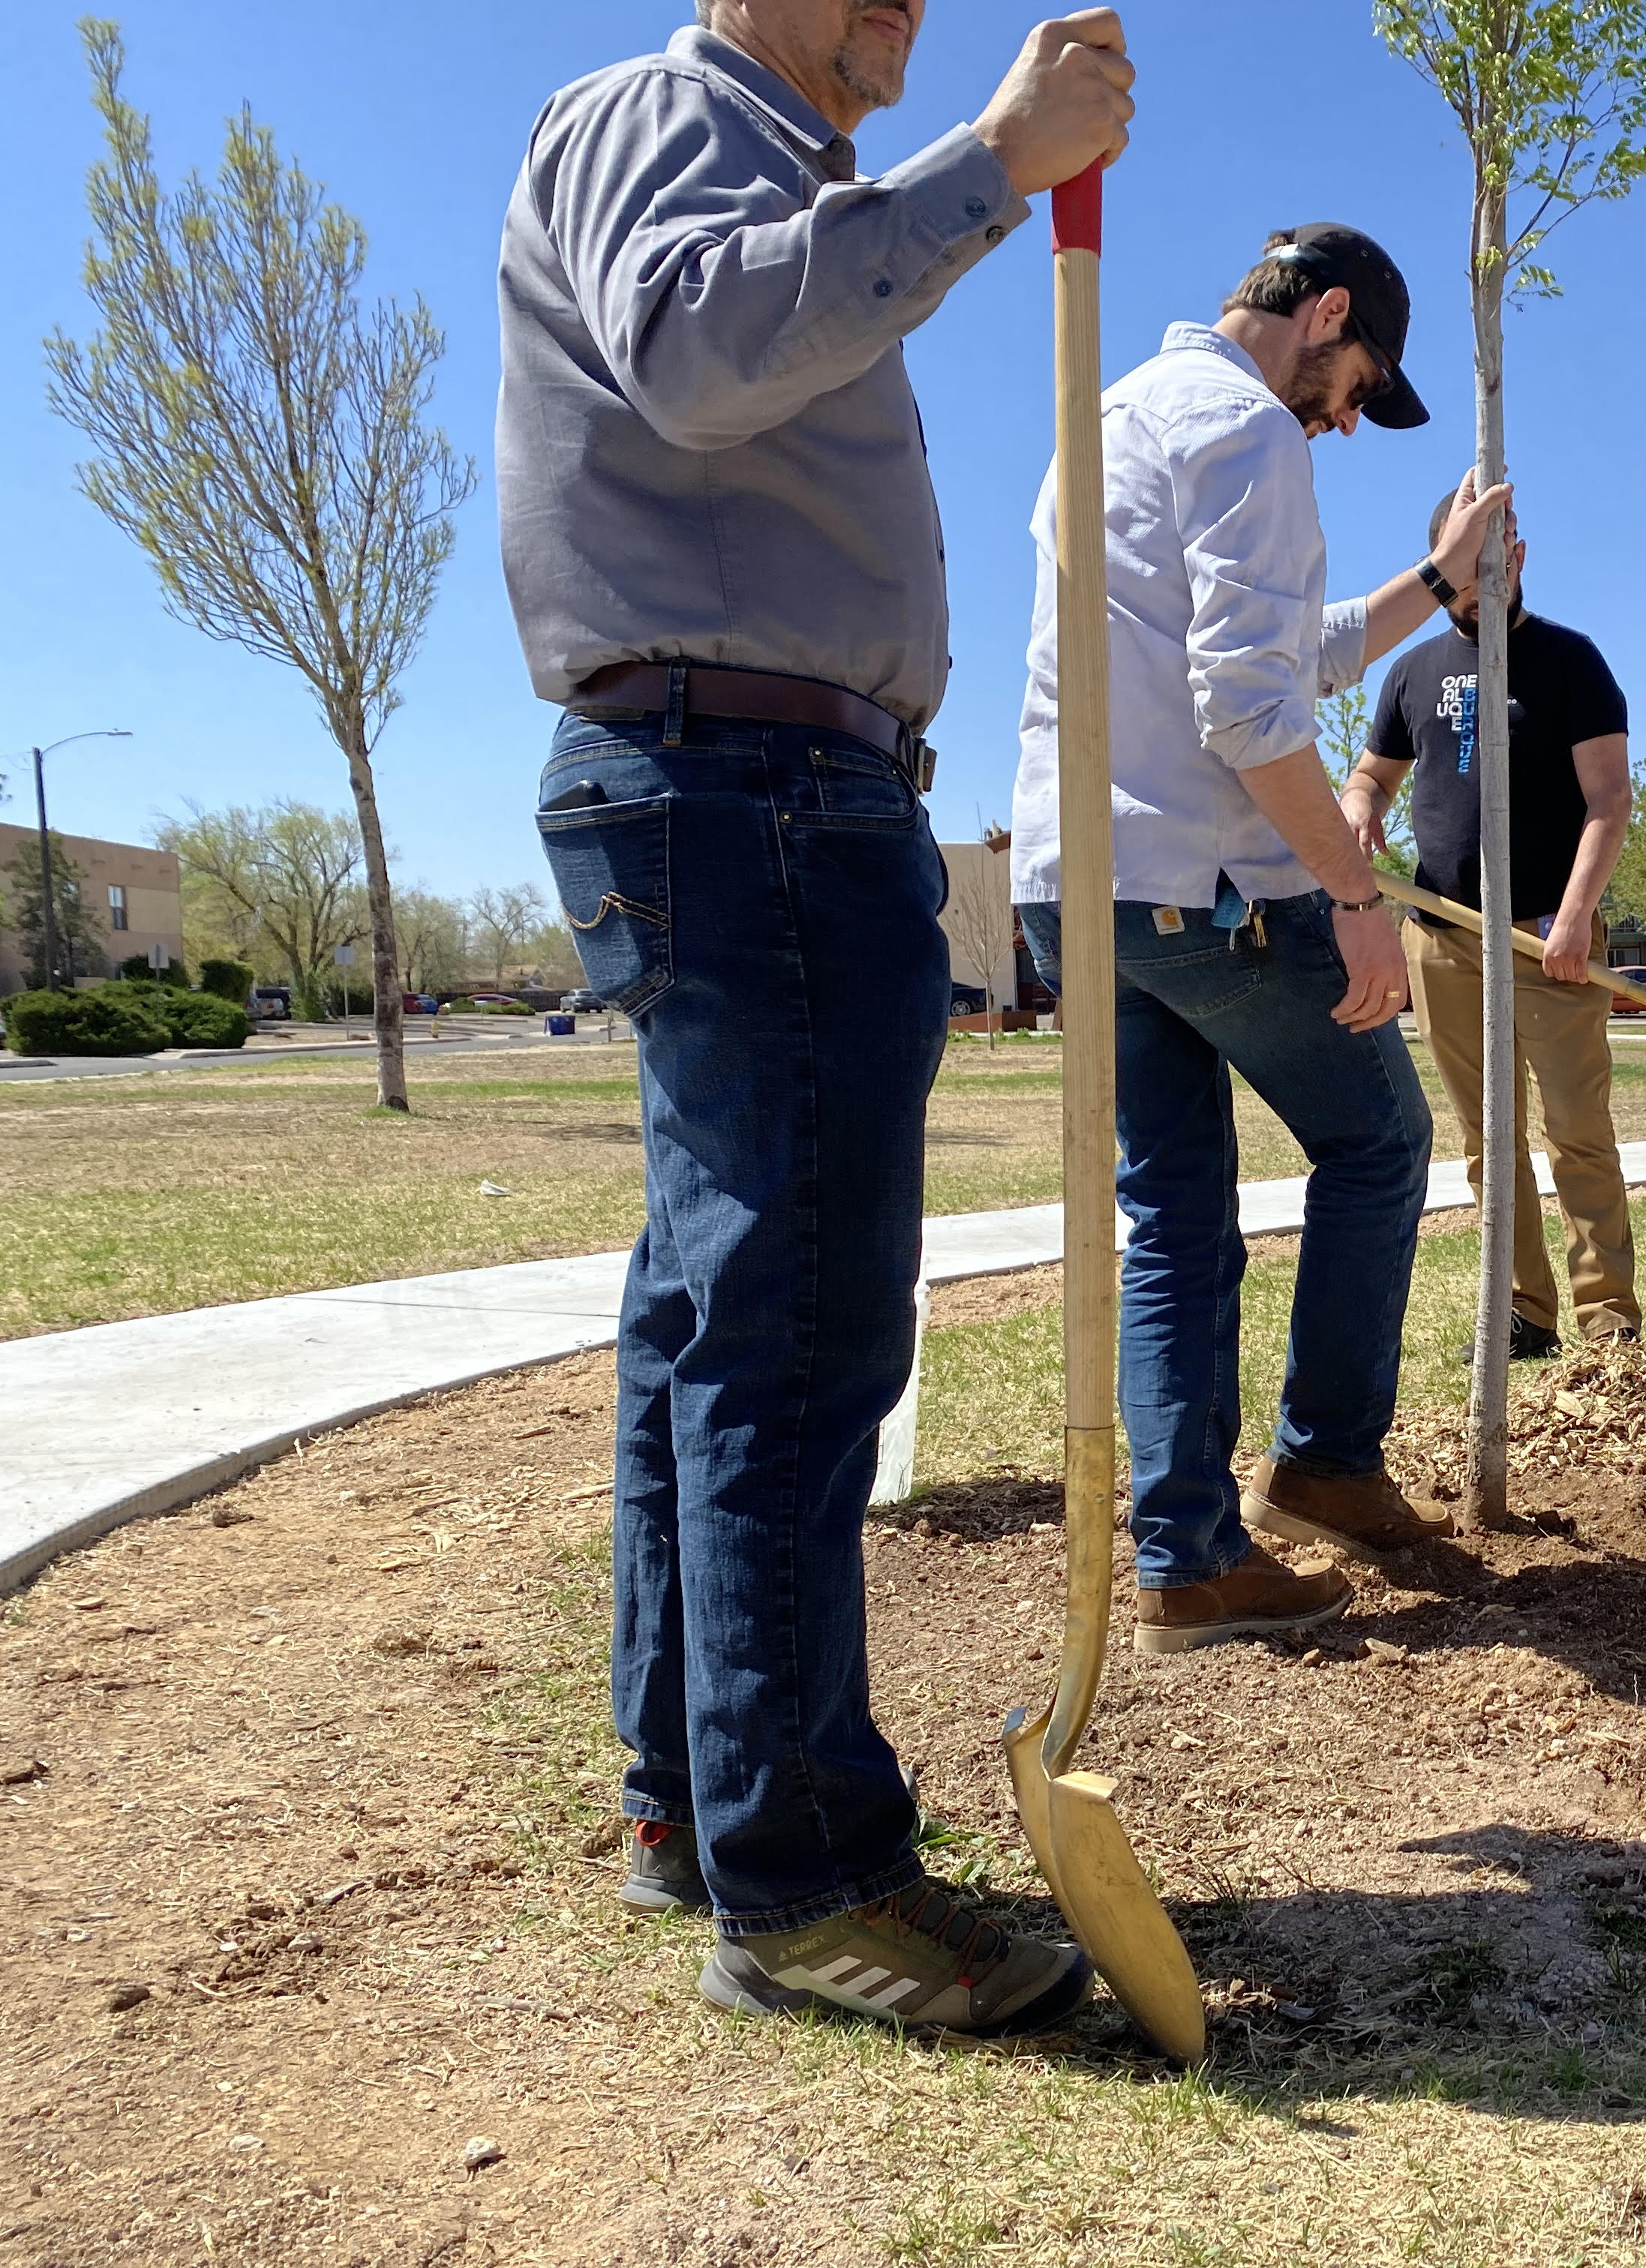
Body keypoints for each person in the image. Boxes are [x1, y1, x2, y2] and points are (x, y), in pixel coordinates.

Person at [500, 0, 1133, 2033]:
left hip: (759, 778)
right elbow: (695, 357)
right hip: (748, 783)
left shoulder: (787, 171)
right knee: (788, 1329)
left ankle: (700, 1806)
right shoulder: (664, 118)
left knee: (710, 1314)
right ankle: (806, 1878)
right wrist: (992, 168)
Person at [1010, 227, 1515, 1653]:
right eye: (1356, 382)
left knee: (1171, 1213)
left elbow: (1287, 654)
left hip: (1077, 876)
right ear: (1326, 314)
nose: (1346, 415)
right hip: (1200, 877)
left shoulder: (1104, 416)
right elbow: (1250, 714)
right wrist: (1353, 892)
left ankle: (1185, 1558)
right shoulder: (1249, 428)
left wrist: (1439, 578)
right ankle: (1326, 1463)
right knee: (1380, 1141)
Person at [1342, 493, 1641, 1361]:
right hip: (1441, 938)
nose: (1475, 585)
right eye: (1456, 568)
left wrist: (1577, 917)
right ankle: (1523, 1312)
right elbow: (1372, 777)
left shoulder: (1571, 662)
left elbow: (1609, 802)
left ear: (1518, 554)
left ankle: (1608, 1317)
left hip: (1552, 941)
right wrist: (1360, 805)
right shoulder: (1412, 672)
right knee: (1488, 1142)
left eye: (1490, 561)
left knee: (1576, 1131)